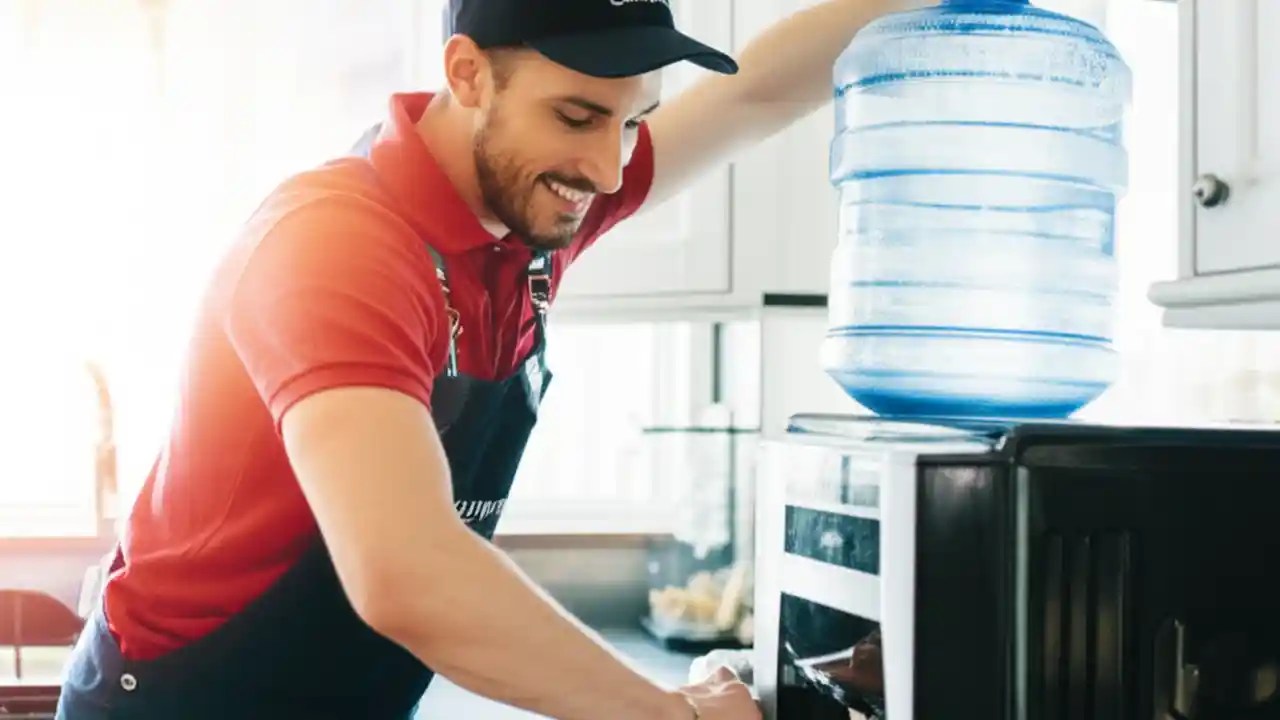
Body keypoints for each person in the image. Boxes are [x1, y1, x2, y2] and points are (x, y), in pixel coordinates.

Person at [57, 0, 918, 717]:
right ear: (467, 73)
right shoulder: (337, 244)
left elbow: (752, 99)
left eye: (633, 122)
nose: (610, 171)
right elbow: (406, 571)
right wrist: (668, 715)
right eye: (578, 117)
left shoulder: (531, 223)